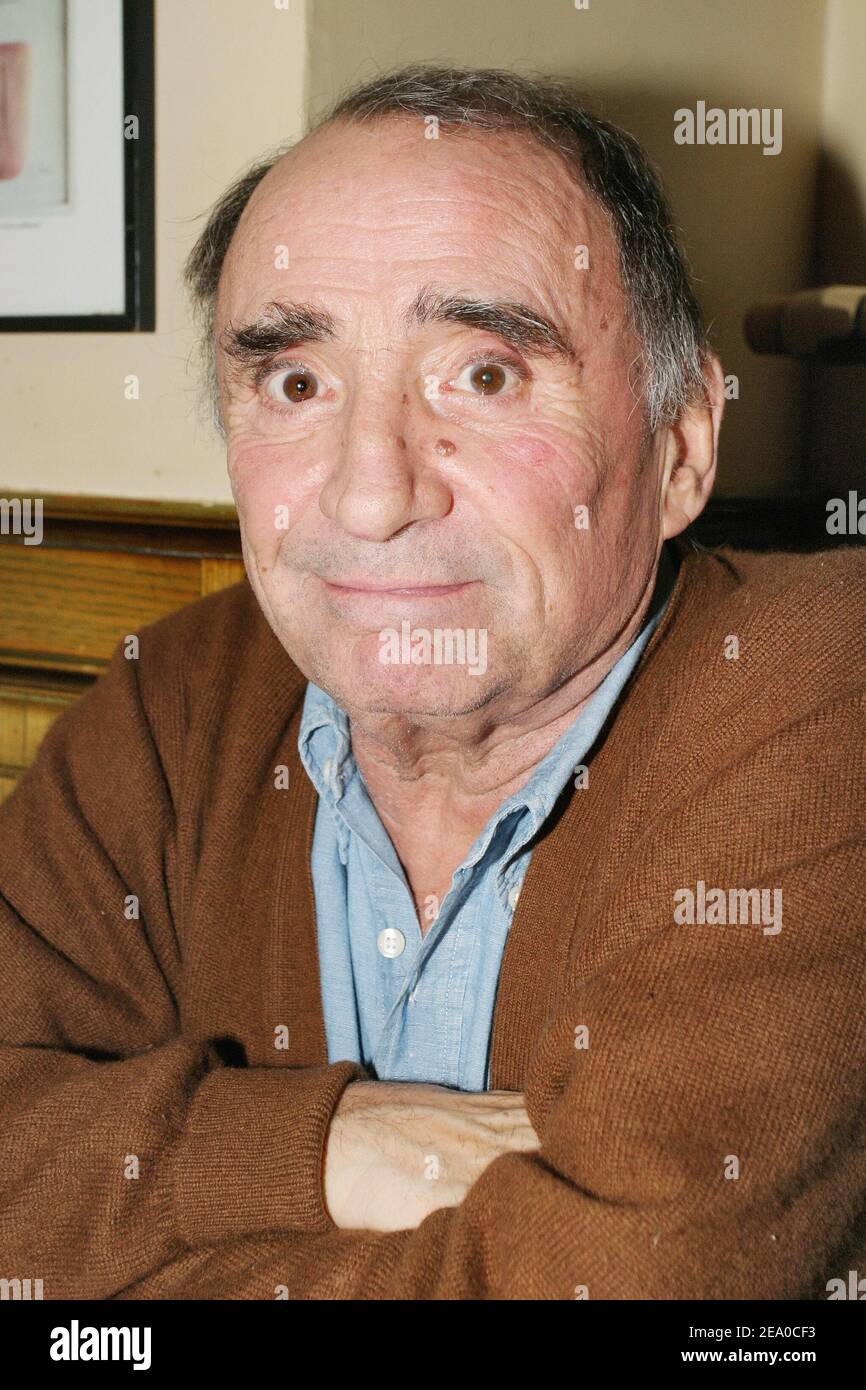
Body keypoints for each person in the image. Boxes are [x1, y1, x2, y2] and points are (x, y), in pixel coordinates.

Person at [1, 66, 864, 1300]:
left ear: (680, 450)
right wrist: (332, 1144)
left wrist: (120, 1235)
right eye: (295, 383)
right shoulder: (177, 699)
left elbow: (632, 1286)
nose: (370, 491)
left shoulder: (822, 688)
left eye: (483, 373)